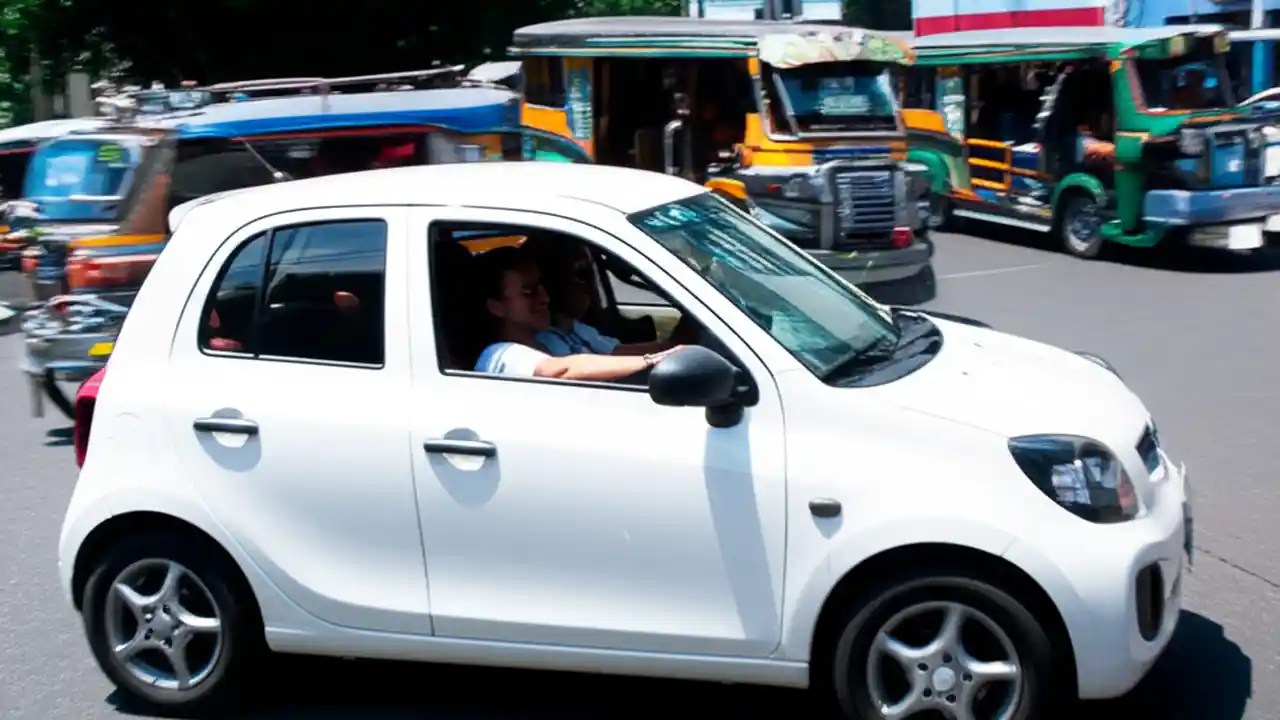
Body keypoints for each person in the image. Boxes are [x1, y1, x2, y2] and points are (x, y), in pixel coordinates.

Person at [473, 245, 684, 380]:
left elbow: (612, 353)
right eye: (528, 293)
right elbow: (561, 370)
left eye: (541, 287)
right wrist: (654, 361)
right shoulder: (498, 355)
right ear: (496, 307)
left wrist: (671, 349)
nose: (544, 298)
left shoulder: (555, 332)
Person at [535, 242, 695, 358]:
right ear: (552, 282)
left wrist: (670, 347)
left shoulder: (577, 329)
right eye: (580, 275)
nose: (588, 287)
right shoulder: (546, 343)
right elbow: (590, 367)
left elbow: (616, 352)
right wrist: (665, 351)